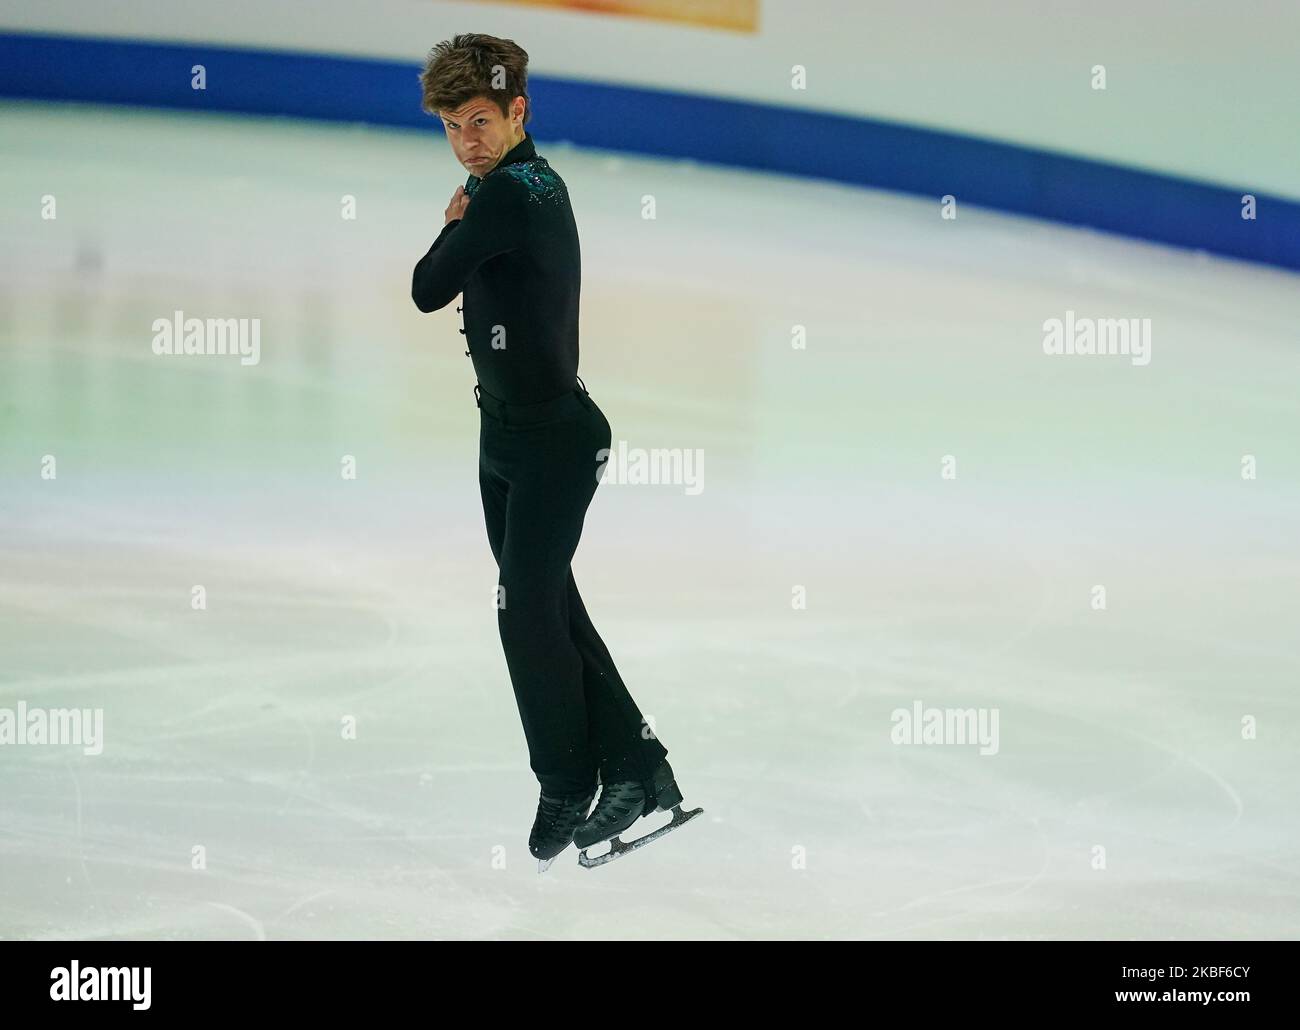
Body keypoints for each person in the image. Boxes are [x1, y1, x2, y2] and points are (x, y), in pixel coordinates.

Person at [411, 34, 688, 870]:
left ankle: (566, 781)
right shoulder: (518, 183)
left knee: (524, 611)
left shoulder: (506, 196)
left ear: (518, 111)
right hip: (504, 436)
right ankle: (637, 767)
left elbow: (428, 289)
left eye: (483, 120)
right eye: (455, 126)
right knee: (547, 607)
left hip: (553, 444)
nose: (468, 140)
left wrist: (454, 219)